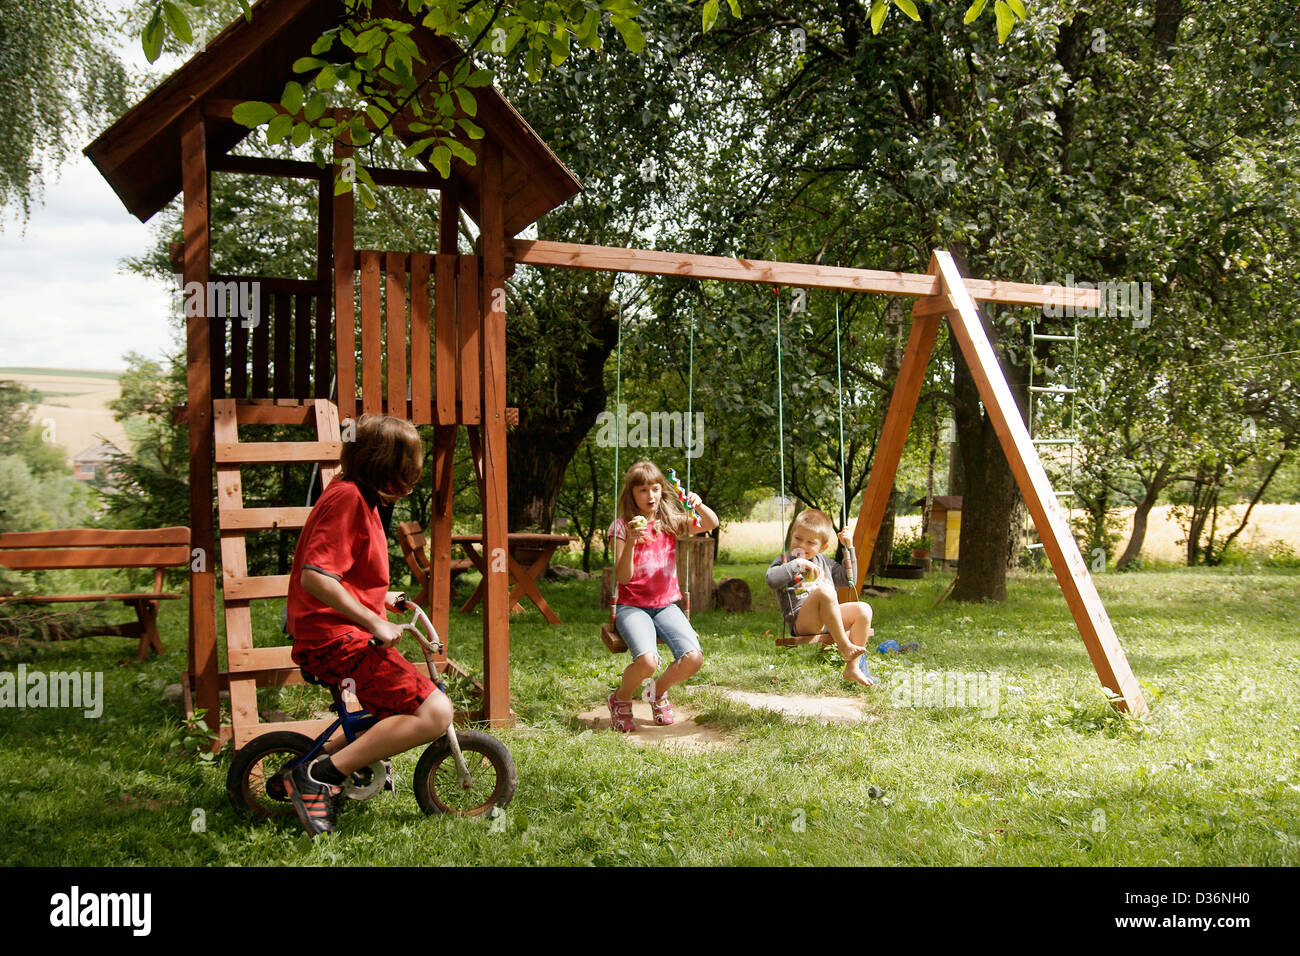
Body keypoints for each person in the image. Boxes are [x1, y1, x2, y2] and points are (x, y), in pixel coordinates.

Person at [282, 415, 453, 835]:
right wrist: (373, 619)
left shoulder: (359, 497)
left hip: (338, 631)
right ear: (387, 466)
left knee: (404, 702)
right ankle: (321, 775)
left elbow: (346, 574)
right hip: (334, 637)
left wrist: (382, 597)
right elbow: (316, 577)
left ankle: (316, 765)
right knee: (435, 712)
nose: (412, 477)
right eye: (409, 466)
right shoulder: (348, 501)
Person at [607, 460, 719, 732]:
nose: (650, 496)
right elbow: (622, 577)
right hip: (632, 606)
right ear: (632, 494)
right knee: (647, 661)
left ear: (662, 491)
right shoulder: (621, 528)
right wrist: (633, 539)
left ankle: (657, 691)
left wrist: (698, 504)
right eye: (643, 490)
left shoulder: (669, 522)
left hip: (666, 605)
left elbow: (710, 523)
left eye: (655, 489)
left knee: (693, 658)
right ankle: (620, 698)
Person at [765, 508, 876, 687]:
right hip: (803, 622)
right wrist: (797, 564)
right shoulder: (786, 562)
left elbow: (850, 580)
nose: (802, 545)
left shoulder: (826, 563)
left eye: (810, 542)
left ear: (822, 547)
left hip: (830, 621)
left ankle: (852, 668)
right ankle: (844, 646)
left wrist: (849, 547)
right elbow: (771, 580)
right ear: (791, 536)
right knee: (825, 591)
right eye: (798, 539)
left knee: (864, 609)